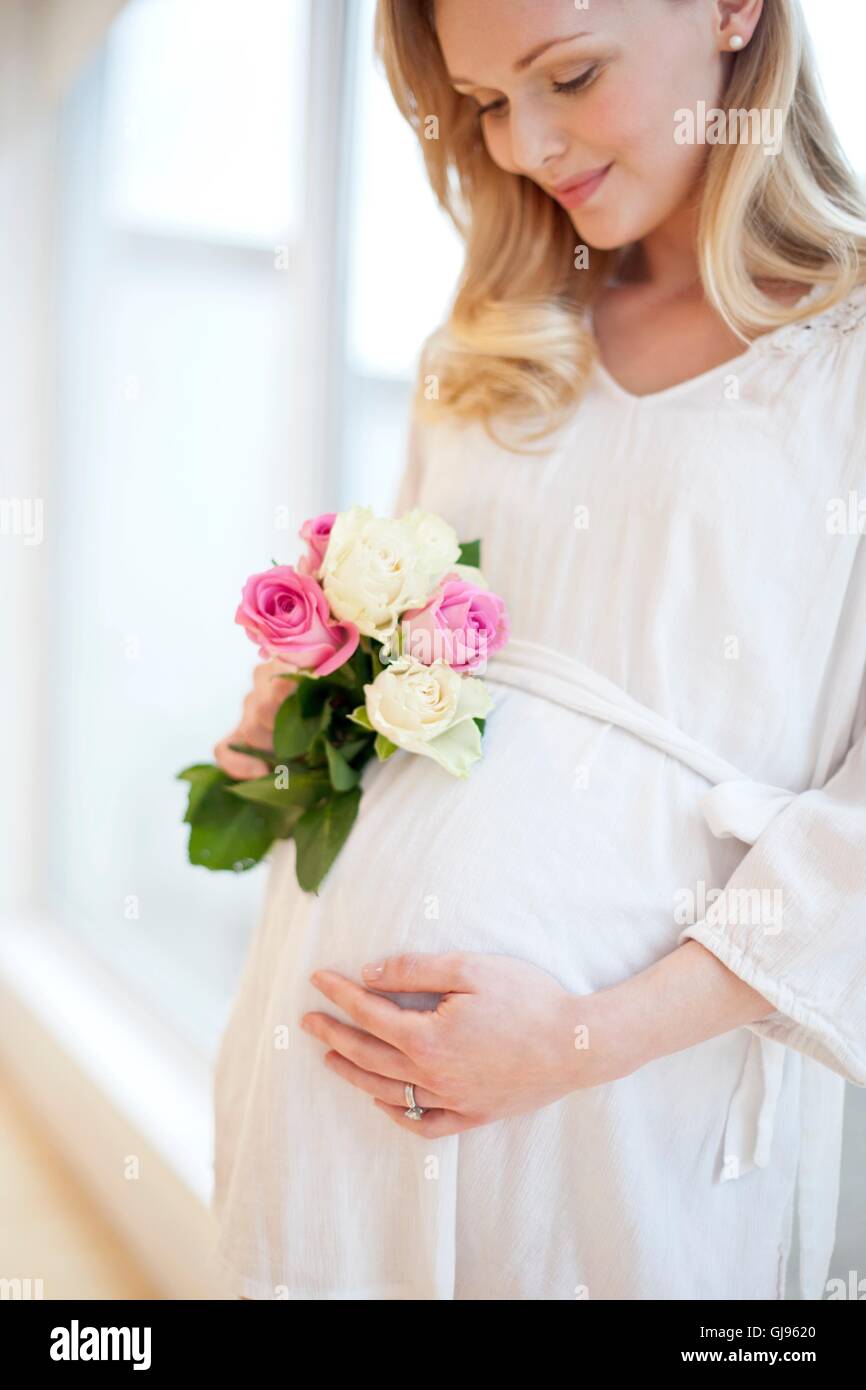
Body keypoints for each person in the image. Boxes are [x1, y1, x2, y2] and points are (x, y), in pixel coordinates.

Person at [212, 0, 866, 1300]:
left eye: (567, 75)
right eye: (487, 102)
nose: (524, 144)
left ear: (734, 11)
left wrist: (576, 1036)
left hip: (622, 1096)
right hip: (329, 1064)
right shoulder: (489, 339)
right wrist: (280, 716)